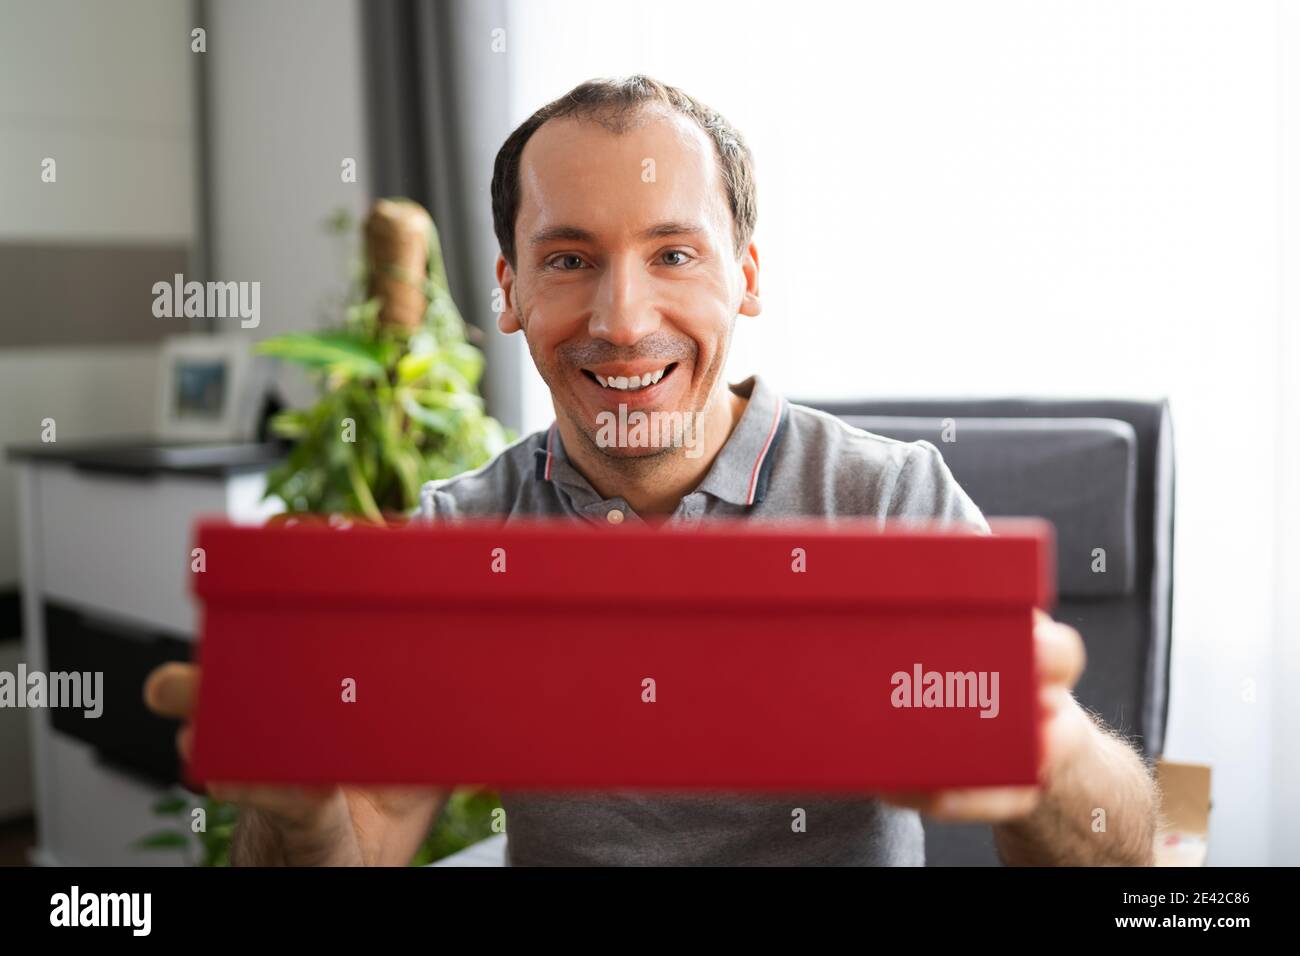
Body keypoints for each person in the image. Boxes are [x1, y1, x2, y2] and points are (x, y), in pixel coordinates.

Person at [145, 74, 1157, 866]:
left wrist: (1055, 752)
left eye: (674, 254)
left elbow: (1116, 856)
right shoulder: (463, 541)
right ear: (508, 288)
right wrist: (303, 806)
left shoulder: (889, 501)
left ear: (745, 276)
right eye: (569, 258)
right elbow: (351, 841)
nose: (622, 321)